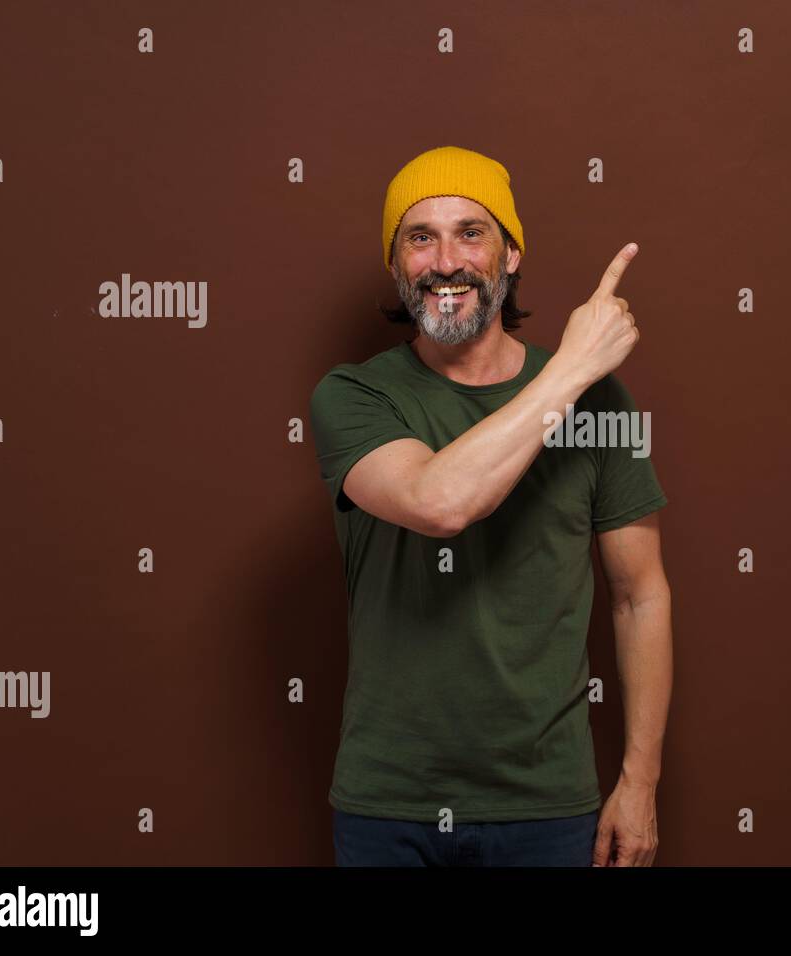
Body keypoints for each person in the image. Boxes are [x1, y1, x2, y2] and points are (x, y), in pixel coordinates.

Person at [309, 145, 673, 866]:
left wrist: (641, 781)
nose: (447, 261)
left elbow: (641, 596)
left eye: (472, 233)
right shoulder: (352, 397)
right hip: (391, 801)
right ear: (396, 266)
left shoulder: (601, 402)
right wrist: (572, 368)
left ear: (510, 255)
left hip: (546, 803)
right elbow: (438, 502)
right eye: (420, 237)